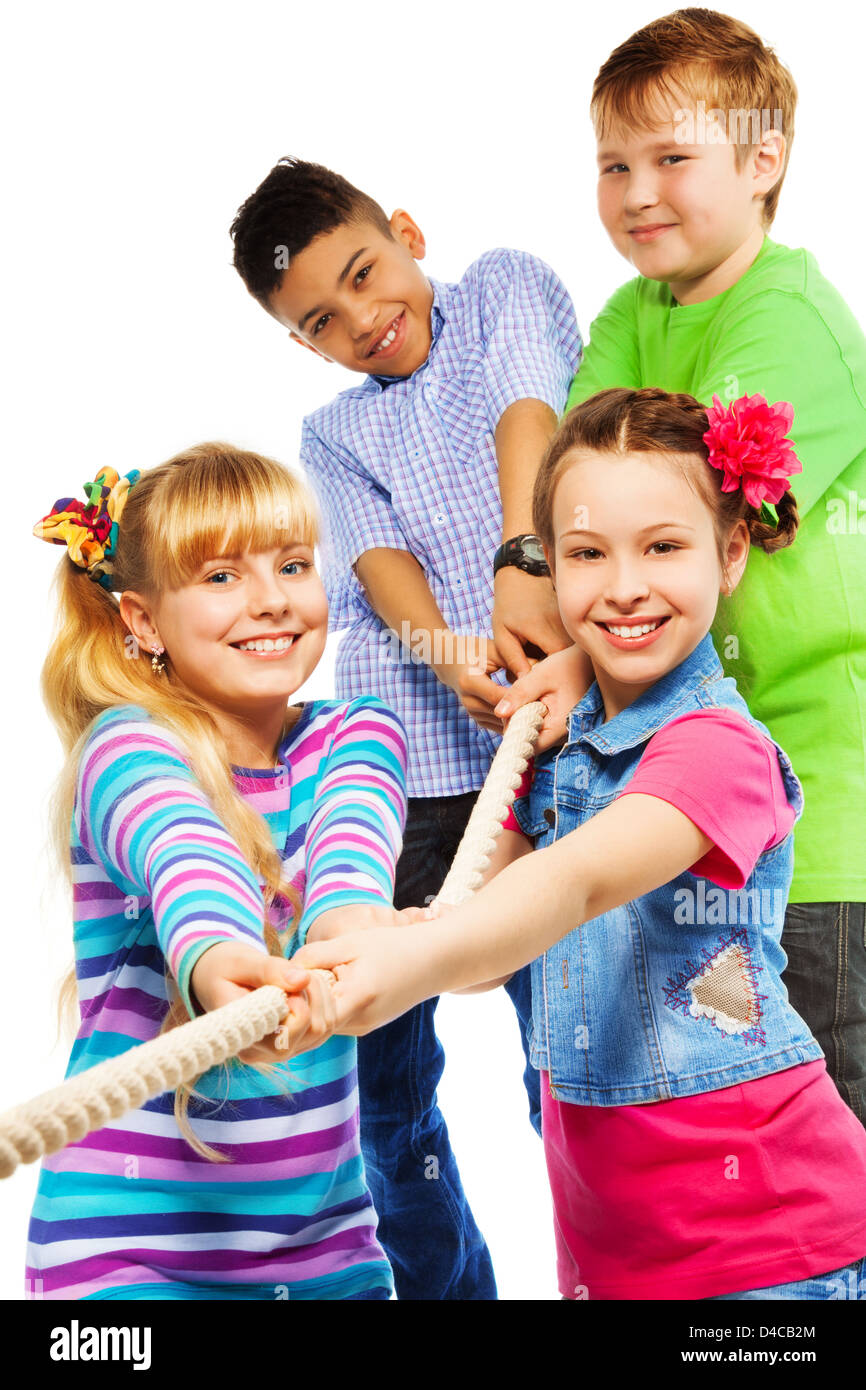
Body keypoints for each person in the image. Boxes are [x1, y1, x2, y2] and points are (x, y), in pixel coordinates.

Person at [293, 388, 866, 1300]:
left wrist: (407, 966)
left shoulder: (719, 749)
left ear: (730, 551)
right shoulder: (555, 746)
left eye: (664, 547)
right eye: (588, 553)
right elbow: (493, 936)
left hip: (773, 1257)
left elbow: (576, 882)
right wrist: (389, 934)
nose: (625, 585)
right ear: (550, 570)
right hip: (613, 1264)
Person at [492, 8, 866, 1127]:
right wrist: (527, 557)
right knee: (703, 1105)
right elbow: (578, 478)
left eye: (669, 159)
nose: (634, 192)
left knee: (826, 1103)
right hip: (673, 796)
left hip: (817, 815)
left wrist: (565, 642)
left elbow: (666, 518)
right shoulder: (624, 313)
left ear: (763, 164)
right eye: (612, 164)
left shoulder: (790, 321)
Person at [229, 157, 583, 1298]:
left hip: (557, 754)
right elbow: (379, 571)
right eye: (321, 320)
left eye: (367, 274)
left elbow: (528, 417)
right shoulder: (332, 431)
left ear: (405, 232)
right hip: (410, 772)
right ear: (301, 343)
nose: (363, 321)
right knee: (379, 1090)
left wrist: (522, 560)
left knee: (565, 1064)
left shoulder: (500, 292)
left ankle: (607, 1276)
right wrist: (454, 654)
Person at [26, 443, 409, 1301]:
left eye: (293, 563)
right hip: (127, 1259)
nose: (271, 598)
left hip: (326, 1252)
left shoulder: (356, 734)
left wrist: (351, 921)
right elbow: (180, 844)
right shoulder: (127, 747)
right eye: (222, 577)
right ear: (145, 622)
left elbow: (355, 842)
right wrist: (215, 951)